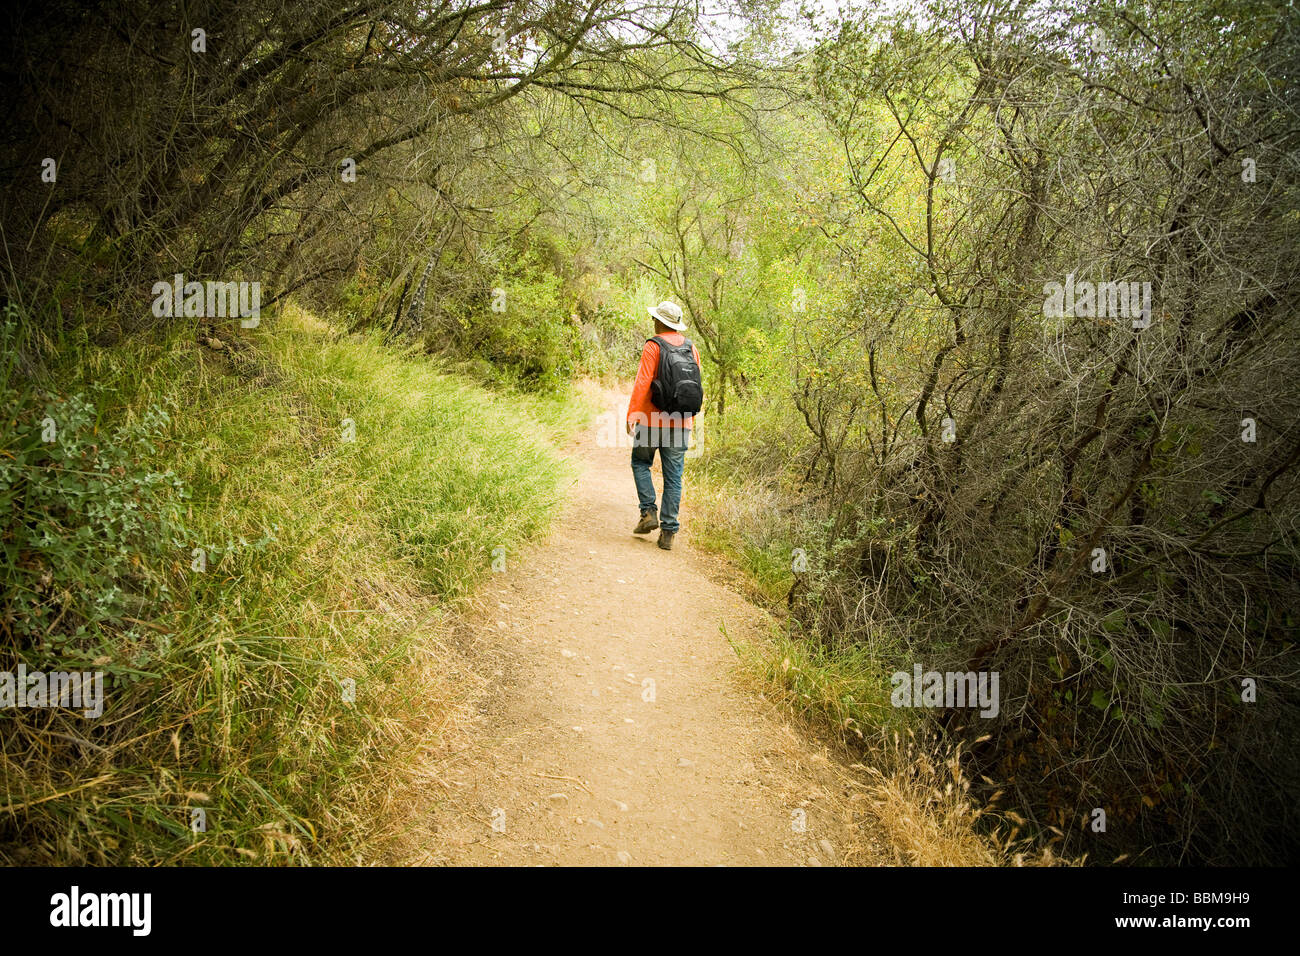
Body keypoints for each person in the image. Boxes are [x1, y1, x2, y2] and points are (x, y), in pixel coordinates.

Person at [625, 300, 702, 551]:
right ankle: (668, 532)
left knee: (640, 462)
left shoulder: (653, 346)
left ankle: (648, 512)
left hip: (651, 418)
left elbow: (642, 382)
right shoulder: (692, 348)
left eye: (655, 318)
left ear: (660, 322)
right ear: (676, 325)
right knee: (673, 476)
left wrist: (632, 413)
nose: (653, 321)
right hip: (682, 422)